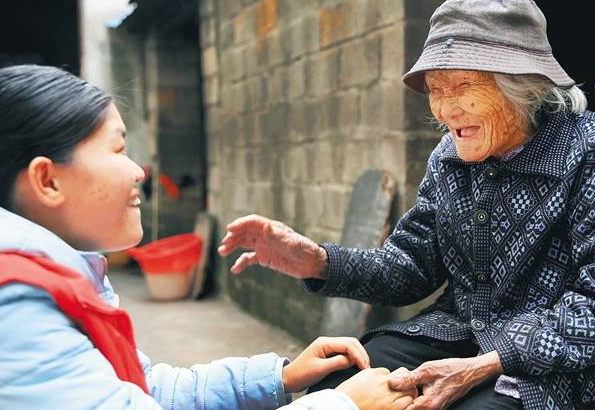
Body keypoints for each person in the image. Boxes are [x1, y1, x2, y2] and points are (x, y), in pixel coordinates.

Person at [218, 1, 595, 409]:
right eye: (435, 89)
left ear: (524, 85)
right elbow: (411, 266)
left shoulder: (584, 154)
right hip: (456, 331)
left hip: (548, 363)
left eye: (464, 86)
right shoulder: (449, 157)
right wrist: (319, 261)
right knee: (344, 380)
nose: (446, 110)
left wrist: (484, 364)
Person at [0, 64, 416, 410]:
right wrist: (342, 405)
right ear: (47, 180)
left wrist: (279, 377)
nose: (138, 172)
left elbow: (140, 389)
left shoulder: (52, 276)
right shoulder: (16, 307)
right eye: (117, 150)